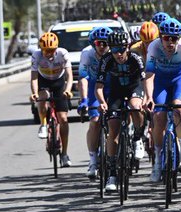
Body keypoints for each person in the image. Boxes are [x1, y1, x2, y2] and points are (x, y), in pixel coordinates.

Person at [95, 29, 149, 193]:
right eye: (114, 50)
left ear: (127, 47)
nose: (118, 54)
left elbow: (145, 81)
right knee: (113, 129)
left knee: (135, 107)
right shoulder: (106, 60)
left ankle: (138, 137)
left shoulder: (135, 58)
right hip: (116, 92)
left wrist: (146, 99)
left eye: (121, 49)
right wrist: (102, 102)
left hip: (134, 88)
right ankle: (112, 174)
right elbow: (99, 86)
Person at [144, 17, 181, 180]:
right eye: (167, 38)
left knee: (180, 110)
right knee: (159, 116)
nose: (170, 42)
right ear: (161, 37)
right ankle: (158, 162)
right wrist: (149, 97)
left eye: (174, 38)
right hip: (161, 81)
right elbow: (149, 75)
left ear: (179, 38)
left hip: (179, 80)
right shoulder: (153, 47)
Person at [29, 32, 73, 167]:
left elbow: (69, 75)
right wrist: (34, 93)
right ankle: (43, 124)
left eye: (52, 50)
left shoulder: (63, 53)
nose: (49, 53)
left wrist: (68, 90)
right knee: (42, 97)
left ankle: (64, 154)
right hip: (44, 80)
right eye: (46, 50)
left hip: (59, 82)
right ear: (41, 49)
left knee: (63, 119)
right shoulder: (36, 55)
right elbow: (34, 78)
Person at [76, 26, 111, 177]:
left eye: (105, 43)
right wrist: (84, 100)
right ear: (93, 44)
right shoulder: (87, 54)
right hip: (94, 87)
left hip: (111, 87)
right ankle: (93, 160)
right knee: (95, 121)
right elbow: (83, 78)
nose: (102, 46)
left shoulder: (114, 53)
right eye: (98, 43)